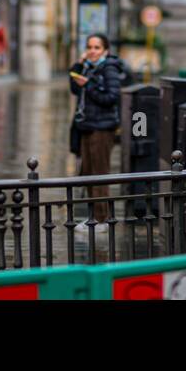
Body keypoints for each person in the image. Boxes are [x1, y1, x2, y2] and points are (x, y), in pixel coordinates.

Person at [68, 33, 123, 231]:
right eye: (89, 47)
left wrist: (89, 85)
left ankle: (102, 219)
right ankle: (94, 217)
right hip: (87, 126)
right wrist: (78, 64)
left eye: (97, 47)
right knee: (88, 173)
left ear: (105, 50)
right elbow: (75, 89)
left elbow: (111, 97)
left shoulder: (109, 68)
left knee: (100, 173)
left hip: (102, 128)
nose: (92, 51)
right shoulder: (89, 67)